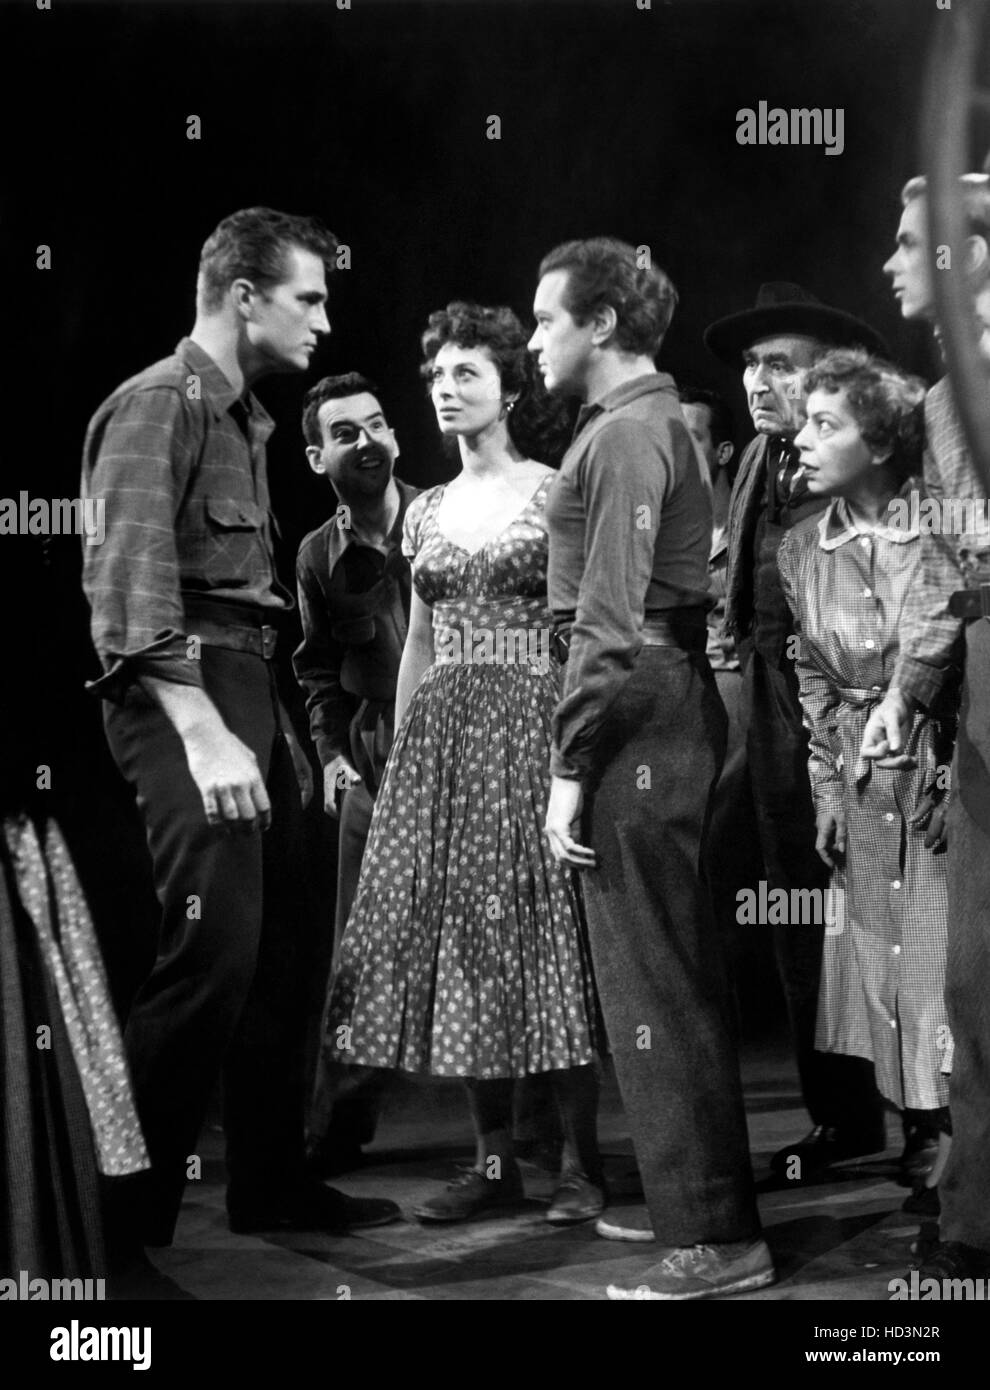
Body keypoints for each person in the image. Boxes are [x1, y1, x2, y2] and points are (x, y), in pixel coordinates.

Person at [80, 207, 398, 1274]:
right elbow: (127, 596)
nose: (323, 316)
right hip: (183, 691)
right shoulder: (155, 406)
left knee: (290, 946)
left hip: (248, 686)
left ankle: (270, 1178)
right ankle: (107, 1228)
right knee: (209, 953)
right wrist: (205, 730)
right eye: (309, 296)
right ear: (245, 294)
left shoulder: (251, 422)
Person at [324, 302, 605, 1226]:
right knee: (467, 947)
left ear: (510, 389)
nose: (446, 391)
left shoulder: (555, 489)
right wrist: (405, 756)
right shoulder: (428, 511)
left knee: (546, 937)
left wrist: (577, 751)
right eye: (437, 377)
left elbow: (578, 630)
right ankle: (493, 1167)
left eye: (467, 375)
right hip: (446, 732)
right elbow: (421, 643)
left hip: (532, 719)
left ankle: (580, 1166)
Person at [531, 236, 773, 1301]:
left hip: (637, 712)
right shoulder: (627, 429)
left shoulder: (629, 435)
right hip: (647, 705)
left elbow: (610, 622)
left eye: (545, 319)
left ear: (601, 326)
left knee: (655, 974)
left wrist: (571, 763)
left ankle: (718, 1235)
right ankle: (697, 1207)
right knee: (658, 968)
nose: (534, 338)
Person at [704, 284, 889, 1184]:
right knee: (799, 919)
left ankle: (931, 1126)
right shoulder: (757, 465)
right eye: (750, 365)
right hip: (777, 709)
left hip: (861, 710)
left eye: (777, 362)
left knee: (881, 919)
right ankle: (842, 1117)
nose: (756, 380)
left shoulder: (868, 464)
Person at [777, 349, 954, 1221]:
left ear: (879, 440)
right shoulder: (801, 547)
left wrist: (943, 751)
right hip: (856, 766)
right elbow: (809, 674)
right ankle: (916, 1124)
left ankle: (952, 1131)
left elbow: (952, 638)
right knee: (877, 960)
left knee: (934, 960)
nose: (801, 440)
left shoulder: (939, 528)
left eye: (825, 424)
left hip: (932, 760)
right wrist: (823, 786)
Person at [862, 173, 990, 1281]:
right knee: (975, 976)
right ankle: (974, 1214)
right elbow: (952, 578)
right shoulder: (950, 400)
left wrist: (912, 690)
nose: (899, 264)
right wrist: (909, 695)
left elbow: (953, 574)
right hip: (983, 687)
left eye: (917, 245)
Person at [293, 373, 417, 1176]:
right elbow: (316, 674)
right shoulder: (315, 556)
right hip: (373, 757)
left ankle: (530, 1137)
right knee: (361, 949)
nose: (367, 442)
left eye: (377, 425)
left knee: (498, 935)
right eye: (346, 433)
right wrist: (334, 761)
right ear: (317, 457)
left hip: (462, 746)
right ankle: (338, 1127)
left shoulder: (448, 516)